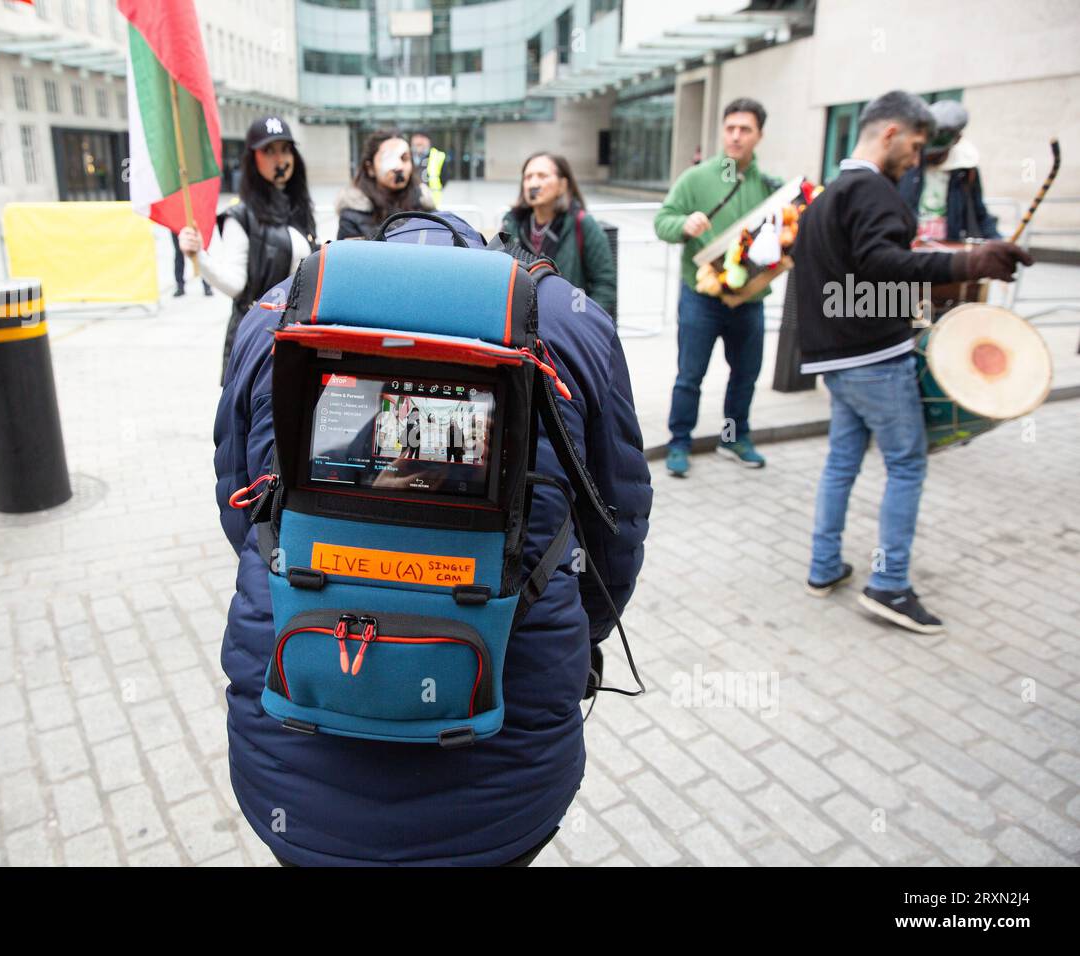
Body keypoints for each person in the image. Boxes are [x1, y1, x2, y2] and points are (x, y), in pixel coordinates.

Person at [213, 213, 652, 866]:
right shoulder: (567, 315)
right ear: (478, 250)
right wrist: (580, 638)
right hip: (503, 792)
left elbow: (237, 506)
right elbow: (616, 528)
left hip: (293, 783)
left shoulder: (276, 308)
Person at [794, 91, 1033, 634]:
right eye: (917, 146)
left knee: (841, 463)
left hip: (837, 361)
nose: (917, 160)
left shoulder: (829, 195)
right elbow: (884, 263)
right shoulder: (873, 191)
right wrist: (971, 259)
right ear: (890, 134)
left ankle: (824, 566)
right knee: (906, 464)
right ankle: (889, 585)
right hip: (876, 357)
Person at [654, 98, 782, 478]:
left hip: (749, 300)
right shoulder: (697, 178)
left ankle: (733, 437)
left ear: (759, 135)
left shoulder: (768, 186)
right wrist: (683, 225)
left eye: (745, 129)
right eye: (730, 128)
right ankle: (680, 442)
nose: (736, 136)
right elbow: (662, 221)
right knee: (690, 375)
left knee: (745, 374)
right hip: (701, 298)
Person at [179, 116, 318, 384]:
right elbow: (236, 285)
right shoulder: (241, 216)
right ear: (253, 158)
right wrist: (199, 257)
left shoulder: (299, 209)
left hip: (293, 336)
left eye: (285, 149)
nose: (280, 159)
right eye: (269, 151)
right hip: (258, 339)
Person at [500, 152, 617, 317]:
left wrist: (582, 320)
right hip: (524, 329)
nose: (533, 183)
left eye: (542, 176)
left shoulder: (582, 224)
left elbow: (604, 284)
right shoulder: (512, 224)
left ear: (562, 185)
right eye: (528, 177)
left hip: (568, 326)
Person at [898, 100, 1000, 243]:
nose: (929, 157)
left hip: (946, 250)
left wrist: (996, 241)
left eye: (937, 153)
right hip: (909, 251)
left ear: (957, 140)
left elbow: (979, 213)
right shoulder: (905, 165)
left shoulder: (965, 170)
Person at [334, 130, 434, 240]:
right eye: (389, 159)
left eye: (405, 158)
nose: (399, 167)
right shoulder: (352, 215)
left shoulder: (424, 205)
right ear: (370, 168)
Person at [410, 131, 448, 209]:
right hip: (408, 202)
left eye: (422, 138)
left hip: (430, 202)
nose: (419, 141)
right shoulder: (406, 155)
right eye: (416, 137)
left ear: (429, 141)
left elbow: (444, 178)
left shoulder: (437, 156)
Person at [170, 231, 211, 298]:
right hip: (176, 226)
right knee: (179, 254)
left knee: (200, 251)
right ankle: (180, 286)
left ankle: (207, 284)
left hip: (194, 224)